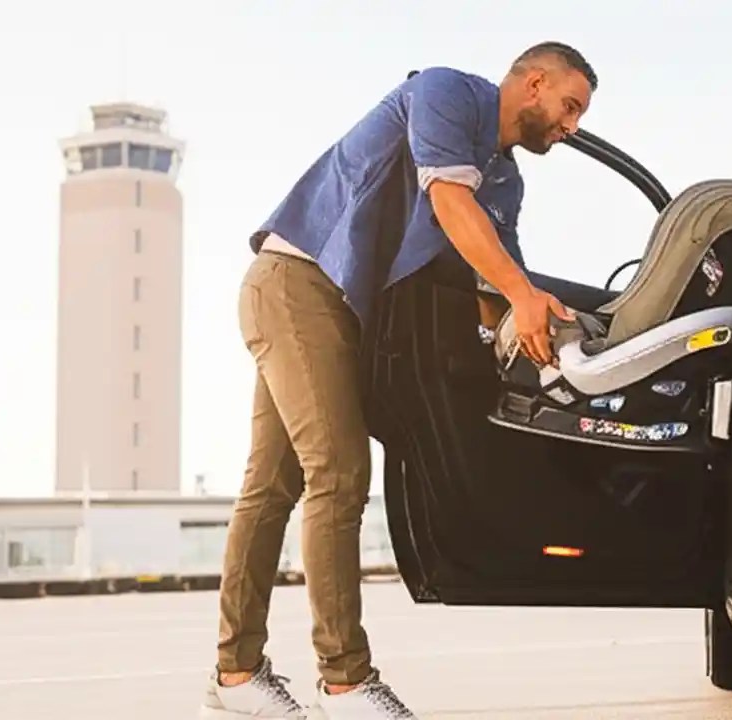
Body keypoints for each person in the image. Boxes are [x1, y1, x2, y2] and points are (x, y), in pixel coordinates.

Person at [201, 42, 597, 720]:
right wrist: (518, 292)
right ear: (533, 84)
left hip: (346, 315)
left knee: (273, 486)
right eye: (569, 107)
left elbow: (493, 282)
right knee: (340, 473)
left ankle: (235, 677)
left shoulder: (504, 183)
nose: (572, 126)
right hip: (298, 283)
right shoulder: (446, 92)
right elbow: (447, 203)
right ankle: (346, 681)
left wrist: (544, 326)